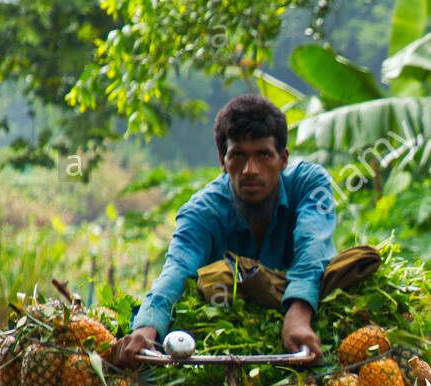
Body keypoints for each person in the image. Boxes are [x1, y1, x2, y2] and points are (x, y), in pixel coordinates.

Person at [111, 95, 335, 367]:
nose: (250, 170)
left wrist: (298, 313)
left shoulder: (309, 183)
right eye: (238, 156)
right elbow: (177, 269)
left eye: (263, 155)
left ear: (283, 159)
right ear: (222, 160)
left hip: (307, 325)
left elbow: (313, 245)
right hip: (224, 338)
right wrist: (147, 328)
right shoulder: (202, 212)